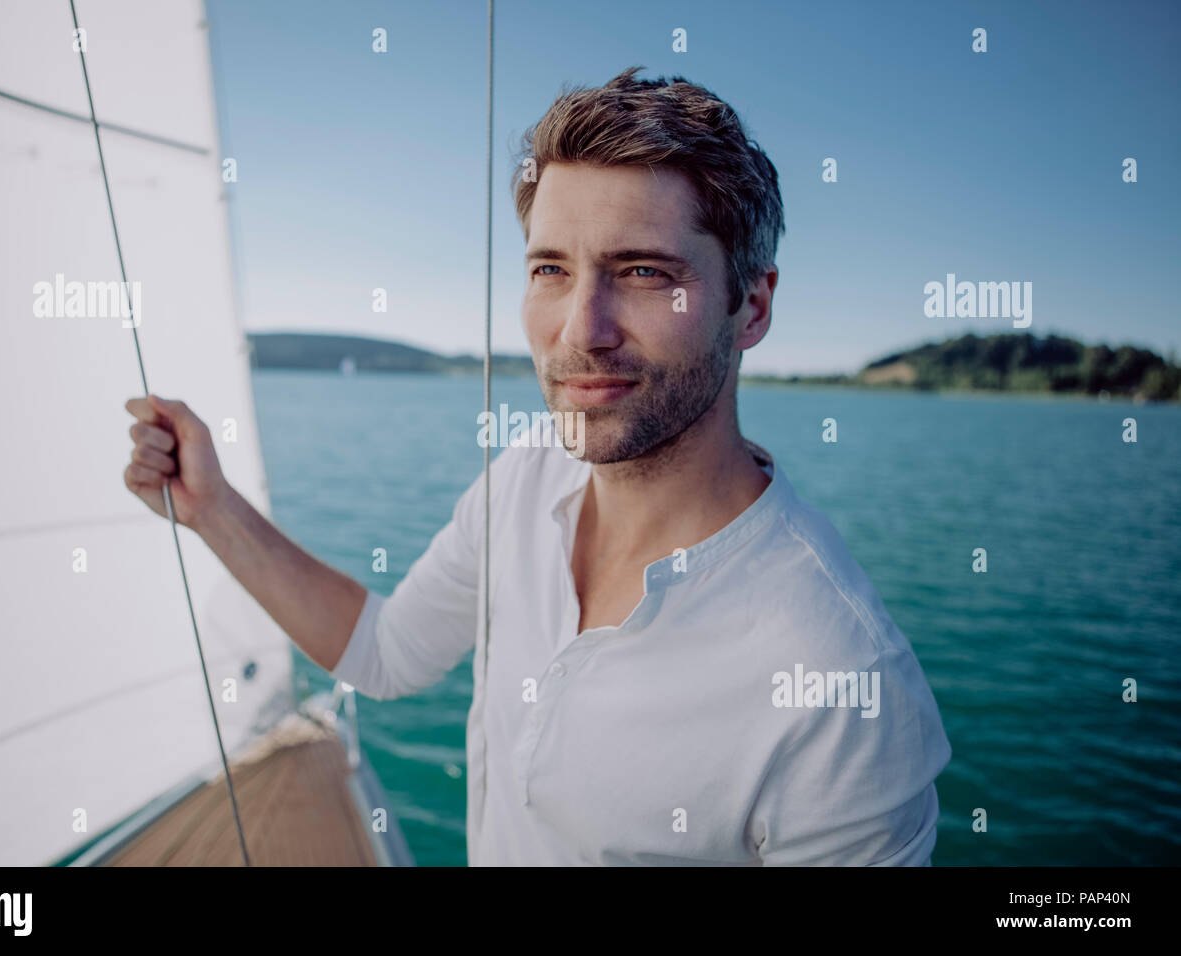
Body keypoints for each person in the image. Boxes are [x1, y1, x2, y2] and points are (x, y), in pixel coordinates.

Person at [125, 66, 951, 866]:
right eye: (551, 269)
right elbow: (384, 652)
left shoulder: (842, 688)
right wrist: (212, 509)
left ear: (753, 306)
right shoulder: (528, 476)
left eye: (642, 272)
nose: (580, 329)